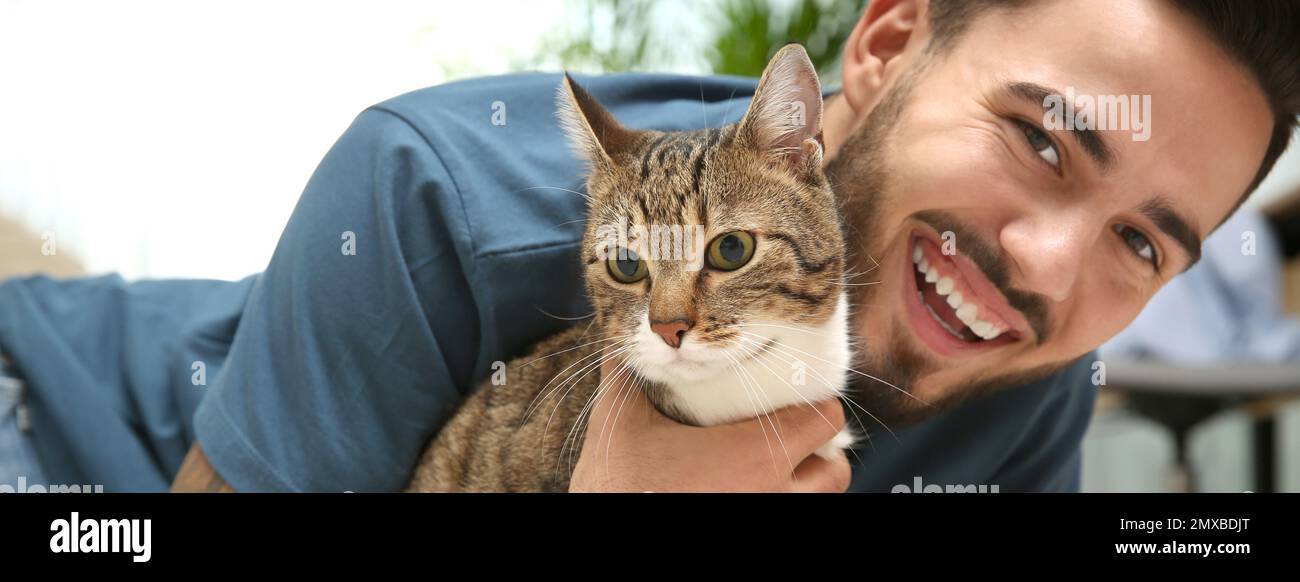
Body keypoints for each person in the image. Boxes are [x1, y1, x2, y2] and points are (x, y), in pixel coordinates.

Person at [0, 0, 1296, 492]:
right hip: (66, 441)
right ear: (888, 46)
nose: (1050, 269)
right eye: (1046, 142)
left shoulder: (1028, 384)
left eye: (1143, 240)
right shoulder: (434, 195)